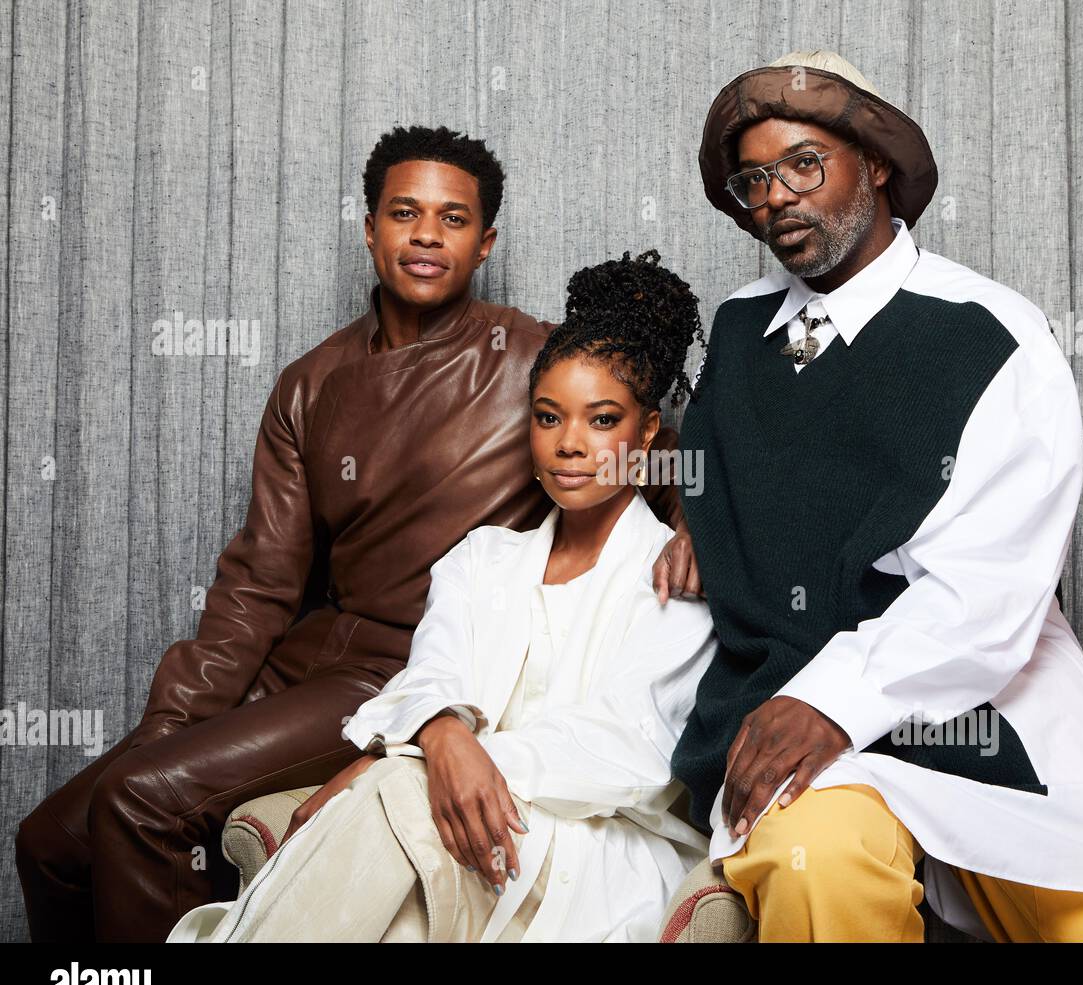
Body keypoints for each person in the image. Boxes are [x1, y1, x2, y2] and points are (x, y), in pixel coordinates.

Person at [14, 126, 700, 943]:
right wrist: (168, 722)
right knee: (50, 839)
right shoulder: (309, 383)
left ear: (486, 243)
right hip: (306, 657)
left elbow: (636, 447)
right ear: (368, 227)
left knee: (140, 802)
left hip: (401, 666)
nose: (424, 235)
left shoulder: (532, 360)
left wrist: (699, 530)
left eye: (452, 219)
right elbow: (260, 580)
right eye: (404, 213)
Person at [670, 50, 1083, 942]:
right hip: (789, 707)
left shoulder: (990, 334)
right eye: (753, 178)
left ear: (875, 163)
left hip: (982, 703)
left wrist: (840, 700)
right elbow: (749, 464)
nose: (777, 198)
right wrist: (686, 518)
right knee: (819, 868)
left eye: (806, 163)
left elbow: (988, 588)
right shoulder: (739, 331)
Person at [167, 249, 716, 943]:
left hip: (597, 847)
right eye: (548, 418)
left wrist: (430, 754)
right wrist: (442, 736)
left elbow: (630, 751)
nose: (570, 444)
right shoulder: (482, 558)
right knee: (398, 923)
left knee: (398, 792)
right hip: (453, 830)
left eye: (600, 420)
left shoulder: (674, 577)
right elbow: (431, 676)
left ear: (645, 438)